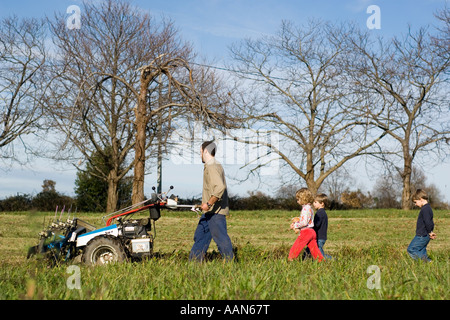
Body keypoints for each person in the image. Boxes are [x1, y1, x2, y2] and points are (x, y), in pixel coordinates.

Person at [189, 141, 234, 262]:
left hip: (216, 212)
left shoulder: (212, 166)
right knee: (200, 237)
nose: (200, 155)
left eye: (200, 152)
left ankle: (230, 266)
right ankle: (193, 266)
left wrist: (208, 204)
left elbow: (220, 187)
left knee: (222, 240)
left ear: (205, 151)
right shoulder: (213, 165)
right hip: (209, 213)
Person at [288, 188, 323, 262]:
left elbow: (304, 222)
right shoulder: (310, 208)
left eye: (298, 199)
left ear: (303, 199)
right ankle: (321, 262)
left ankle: (290, 261)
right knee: (315, 251)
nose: (297, 201)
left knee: (295, 249)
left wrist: (295, 225)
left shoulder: (305, 209)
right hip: (312, 232)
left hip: (306, 232)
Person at [407, 189, 436, 262]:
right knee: (421, 250)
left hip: (422, 235)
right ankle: (427, 265)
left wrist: (430, 232)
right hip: (425, 235)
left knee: (411, 249)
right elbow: (431, 222)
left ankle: (427, 262)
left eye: (415, 202)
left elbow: (428, 222)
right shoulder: (428, 208)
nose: (415, 204)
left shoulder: (425, 209)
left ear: (420, 199)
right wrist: (430, 232)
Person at [312, 193, 332, 259]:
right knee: (310, 250)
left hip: (319, 237)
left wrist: (310, 226)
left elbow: (317, 225)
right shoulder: (322, 212)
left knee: (320, 255)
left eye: (315, 202)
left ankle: (333, 260)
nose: (313, 204)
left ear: (322, 203)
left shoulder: (320, 213)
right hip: (321, 237)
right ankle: (305, 259)